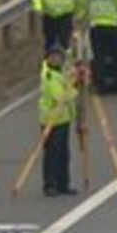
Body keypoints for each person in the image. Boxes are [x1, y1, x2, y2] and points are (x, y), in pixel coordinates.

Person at [39, 46, 80, 197]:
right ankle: (49, 185)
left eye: (59, 57)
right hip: (51, 120)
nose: (57, 59)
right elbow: (59, 96)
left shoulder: (59, 72)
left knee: (64, 153)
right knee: (52, 154)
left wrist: (74, 77)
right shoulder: (49, 75)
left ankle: (63, 184)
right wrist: (73, 88)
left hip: (63, 118)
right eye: (54, 57)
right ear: (48, 58)